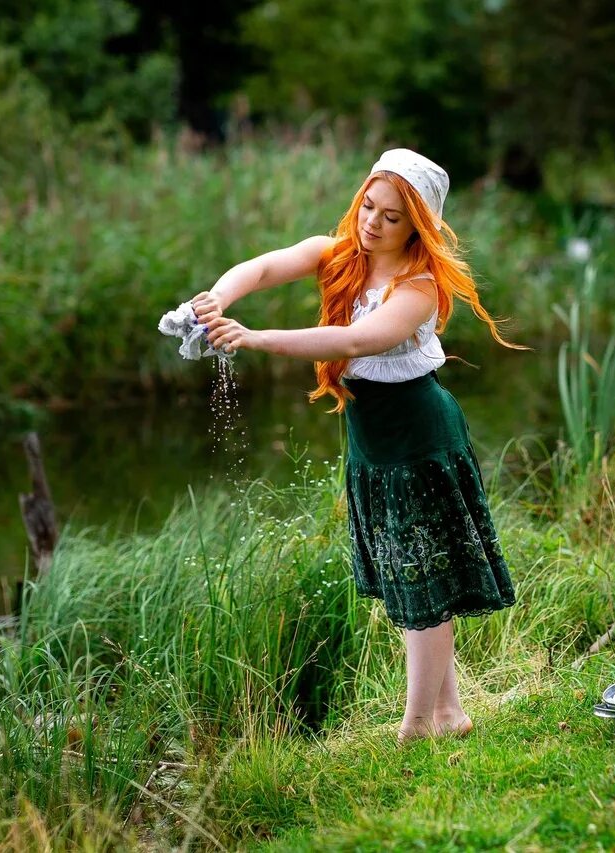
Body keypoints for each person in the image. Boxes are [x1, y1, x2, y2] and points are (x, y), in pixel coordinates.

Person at [191, 148, 525, 743]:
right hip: (373, 439)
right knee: (407, 575)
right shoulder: (341, 253)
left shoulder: (418, 284)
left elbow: (360, 338)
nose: (372, 222)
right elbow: (266, 268)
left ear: (417, 224)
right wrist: (216, 300)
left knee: (423, 577)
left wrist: (257, 337)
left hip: (418, 436)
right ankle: (448, 713)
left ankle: (418, 724)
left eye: (392, 217)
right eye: (368, 205)